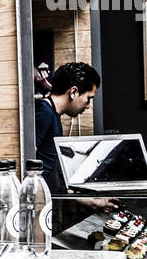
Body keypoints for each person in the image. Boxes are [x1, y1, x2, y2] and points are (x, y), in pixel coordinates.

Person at [35, 61, 100, 194]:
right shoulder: (44, 112)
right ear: (73, 92)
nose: (88, 106)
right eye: (88, 98)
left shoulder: (53, 114)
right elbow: (26, 163)